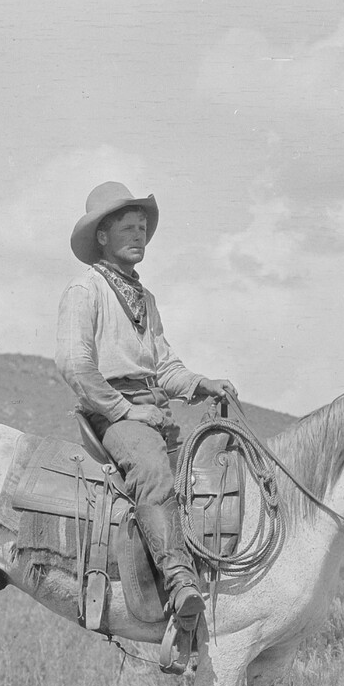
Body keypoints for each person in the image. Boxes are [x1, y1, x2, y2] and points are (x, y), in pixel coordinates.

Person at [56, 181, 238, 628]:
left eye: (142, 228)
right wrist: (125, 410)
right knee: (154, 472)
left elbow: (166, 367)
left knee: (208, 471)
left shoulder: (144, 298)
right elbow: (76, 366)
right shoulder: (86, 290)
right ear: (102, 236)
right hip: (113, 410)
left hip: (153, 407)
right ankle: (178, 581)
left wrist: (201, 384)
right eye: (128, 229)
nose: (139, 236)